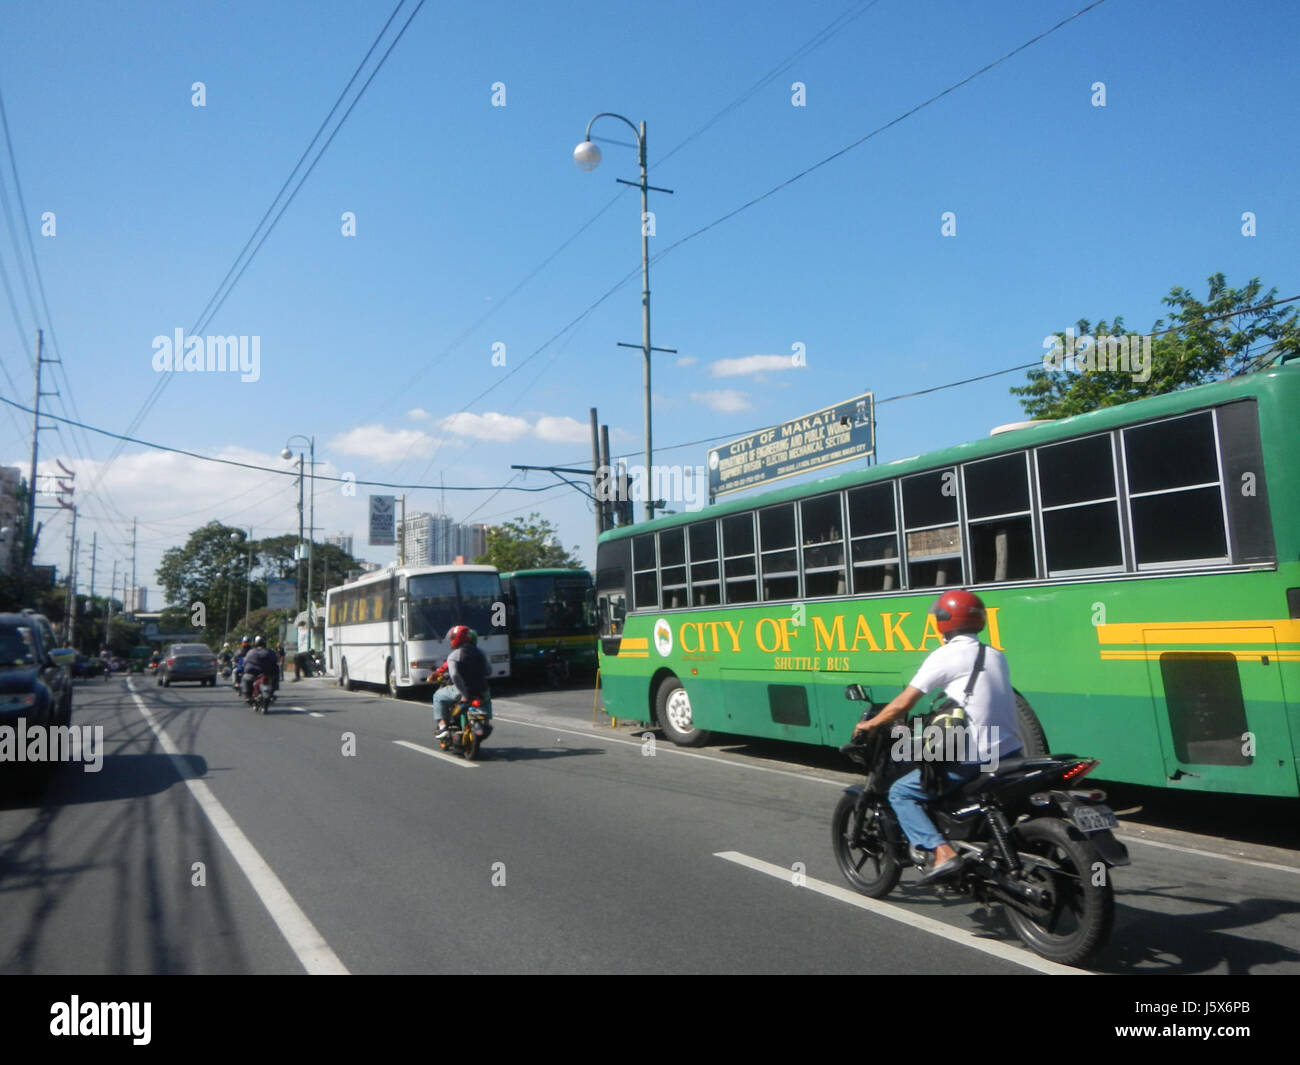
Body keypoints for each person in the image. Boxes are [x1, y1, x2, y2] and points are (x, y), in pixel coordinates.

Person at [853, 589, 1023, 883]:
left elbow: (904, 703)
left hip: (974, 757)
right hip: (1010, 753)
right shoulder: (996, 655)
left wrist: (872, 724)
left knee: (902, 792)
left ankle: (943, 853)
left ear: (943, 622)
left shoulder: (945, 656)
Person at [433, 626, 492, 739]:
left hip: (462, 691)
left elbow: (454, 675)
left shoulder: (454, 656)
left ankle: (442, 726)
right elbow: (489, 671)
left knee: (438, 696)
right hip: (481, 690)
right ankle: (487, 721)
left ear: (456, 638)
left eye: (452, 638)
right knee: (487, 696)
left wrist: (464, 694)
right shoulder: (481, 653)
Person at [241, 635, 280, 702]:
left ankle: (247, 695)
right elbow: (275, 660)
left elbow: (245, 663)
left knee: (245, 678)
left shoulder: (251, 652)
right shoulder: (269, 652)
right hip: (265, 674)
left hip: (255, 674)